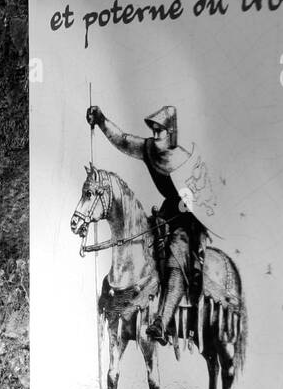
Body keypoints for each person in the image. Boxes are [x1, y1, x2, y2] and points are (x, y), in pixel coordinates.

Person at [86, 104, 206, 345]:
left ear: (171, 132)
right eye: (153, 128)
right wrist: (100, 120)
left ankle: (161, 321)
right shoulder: (149, 149)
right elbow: (122, 139)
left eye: (159, 129)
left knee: (176, 253)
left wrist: (188, 203)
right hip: (166, 212)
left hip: (187, 220)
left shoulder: (185, 157)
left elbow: (203, 188)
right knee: (139, 240)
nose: (154, 133)